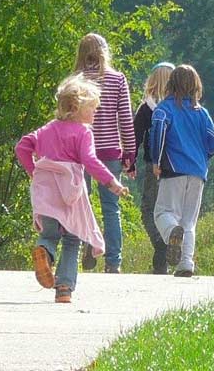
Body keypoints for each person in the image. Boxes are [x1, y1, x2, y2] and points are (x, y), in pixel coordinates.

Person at [15, 74, 130, 303]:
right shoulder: (83, 132)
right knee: (72, 238)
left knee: (48, 234)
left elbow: (22, 147)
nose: (95, 114)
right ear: (77, 107)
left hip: (46, 191)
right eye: (93, 109)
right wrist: (111, 182)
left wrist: (34, 171)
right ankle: (64, 288)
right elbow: (90, 161)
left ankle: (44, 253)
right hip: (70, 193)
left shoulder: (46, 129)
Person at [150, 64, 214, 277]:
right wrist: (202, 158)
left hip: (173, 168)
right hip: (198, 171)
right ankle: (186, 263)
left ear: (171, 84)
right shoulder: (202, 113)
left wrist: (156, 160)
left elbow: (158, 133)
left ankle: (171, 232)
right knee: (189, 220)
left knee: (163, 212)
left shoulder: (164, 109)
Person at [74, 33, 135, 273]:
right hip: (109, 150)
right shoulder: (117, 79)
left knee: (82, 203)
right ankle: (113, 262)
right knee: (111, 207)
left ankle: (88, 244)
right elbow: (126, 120)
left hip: (79, 151)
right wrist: (130, 154)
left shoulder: (75, 81)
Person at [133, 61, 175, 274]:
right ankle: (168, 252)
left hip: (153, 165)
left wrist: (130, 163)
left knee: (148, 209)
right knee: (171, 210)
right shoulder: (179, 107)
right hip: (178, 167)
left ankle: (161, 245)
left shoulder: (146, 108)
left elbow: (135, 138)